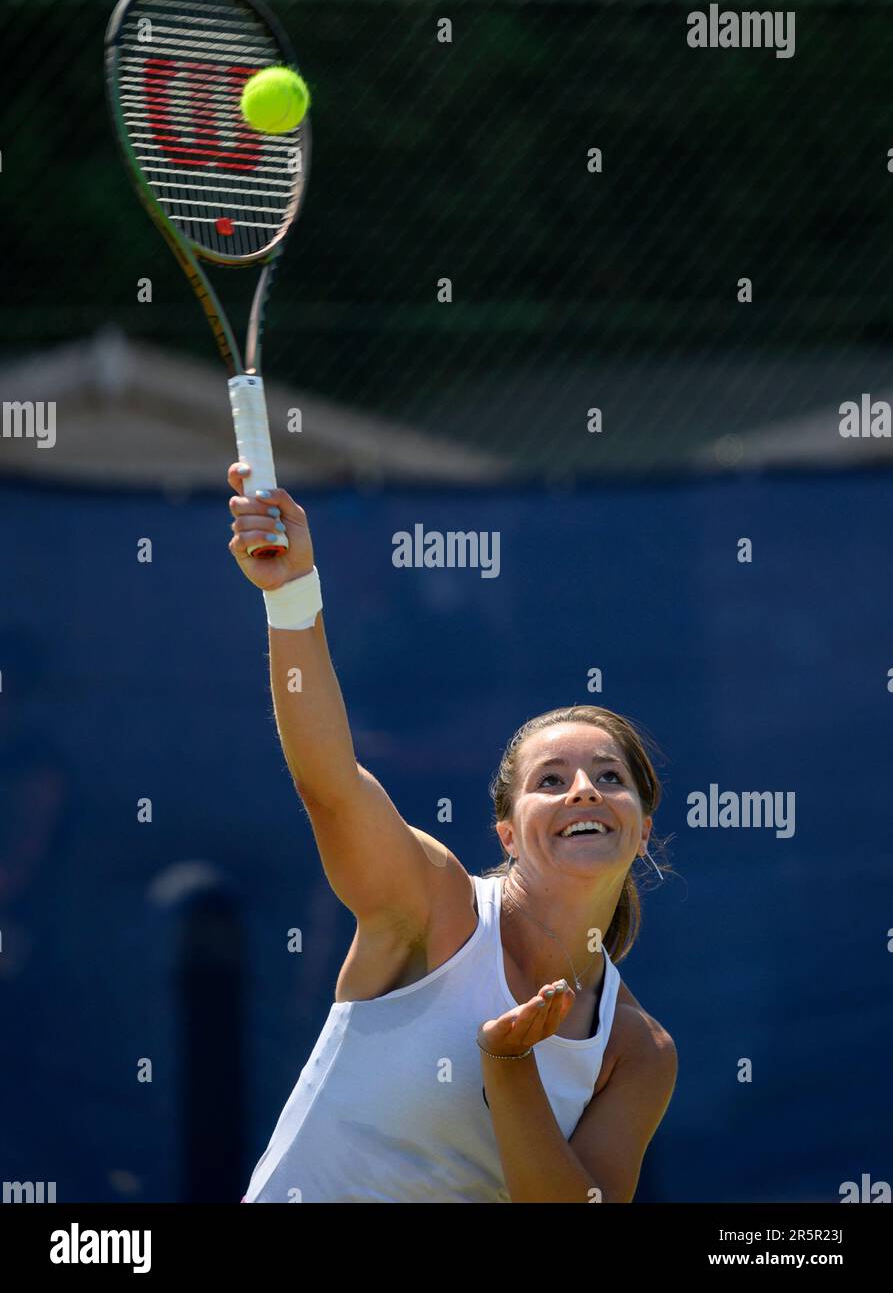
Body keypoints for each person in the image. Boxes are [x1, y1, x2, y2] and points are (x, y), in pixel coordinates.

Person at [229, 464, 677, 1203]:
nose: (583, 791)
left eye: (607, 776)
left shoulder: (639, 1051)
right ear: (505, 833)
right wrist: (288, 592)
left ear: (641, 828)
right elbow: (331, 786)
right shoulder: (435, 903)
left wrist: (508, 1066)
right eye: (550, 780)